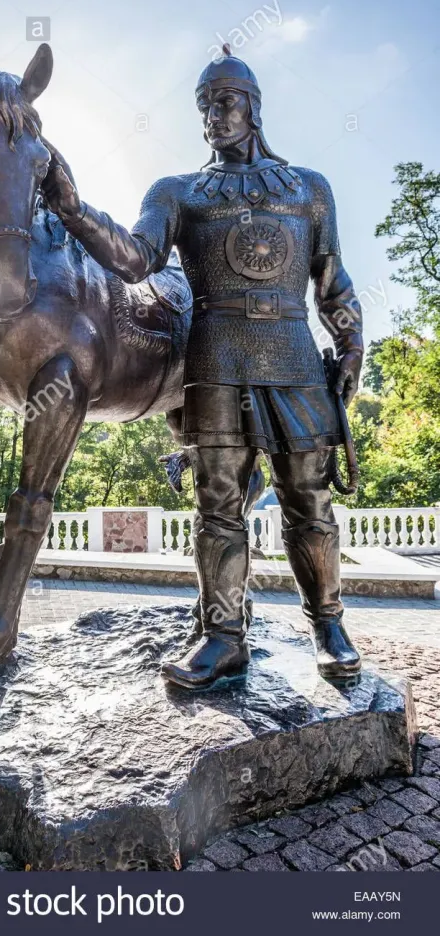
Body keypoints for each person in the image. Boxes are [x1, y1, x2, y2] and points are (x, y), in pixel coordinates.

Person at [41, 45, 363, 689]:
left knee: (309, 500)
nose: (215, 116)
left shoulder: (309, 189)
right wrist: (74, 210)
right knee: (217, 504)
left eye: (226, 102)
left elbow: (333, 283)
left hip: (296, 354)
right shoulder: (178, 193)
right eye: (205, 107)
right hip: (214, 354)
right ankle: (223, 635)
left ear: (253, 106)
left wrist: (351, 343)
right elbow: (135, 259)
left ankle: (328, 623)